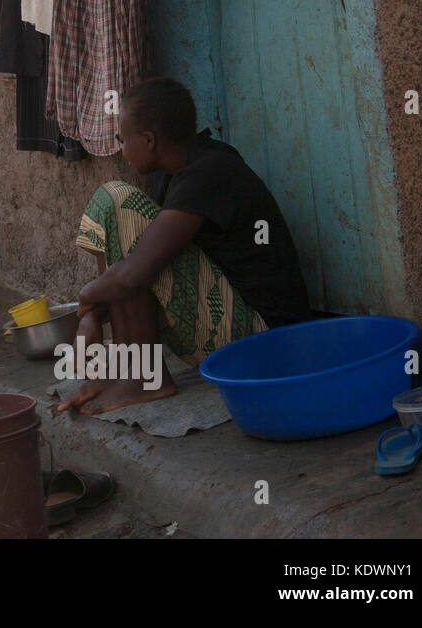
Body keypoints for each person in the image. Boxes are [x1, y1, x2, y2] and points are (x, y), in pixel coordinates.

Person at [59, 77, 312, 415]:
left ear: (149, 140)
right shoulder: (173, 171)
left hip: (265, 342)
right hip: (231, 329)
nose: (121, 150)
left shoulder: (210, 172)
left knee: (117, 200)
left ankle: (143, 379)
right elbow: (137, 265)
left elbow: (134, 274)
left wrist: (87, 304)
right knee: (124, 223)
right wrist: (94, 311)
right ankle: (128, 371)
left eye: (122, 141)